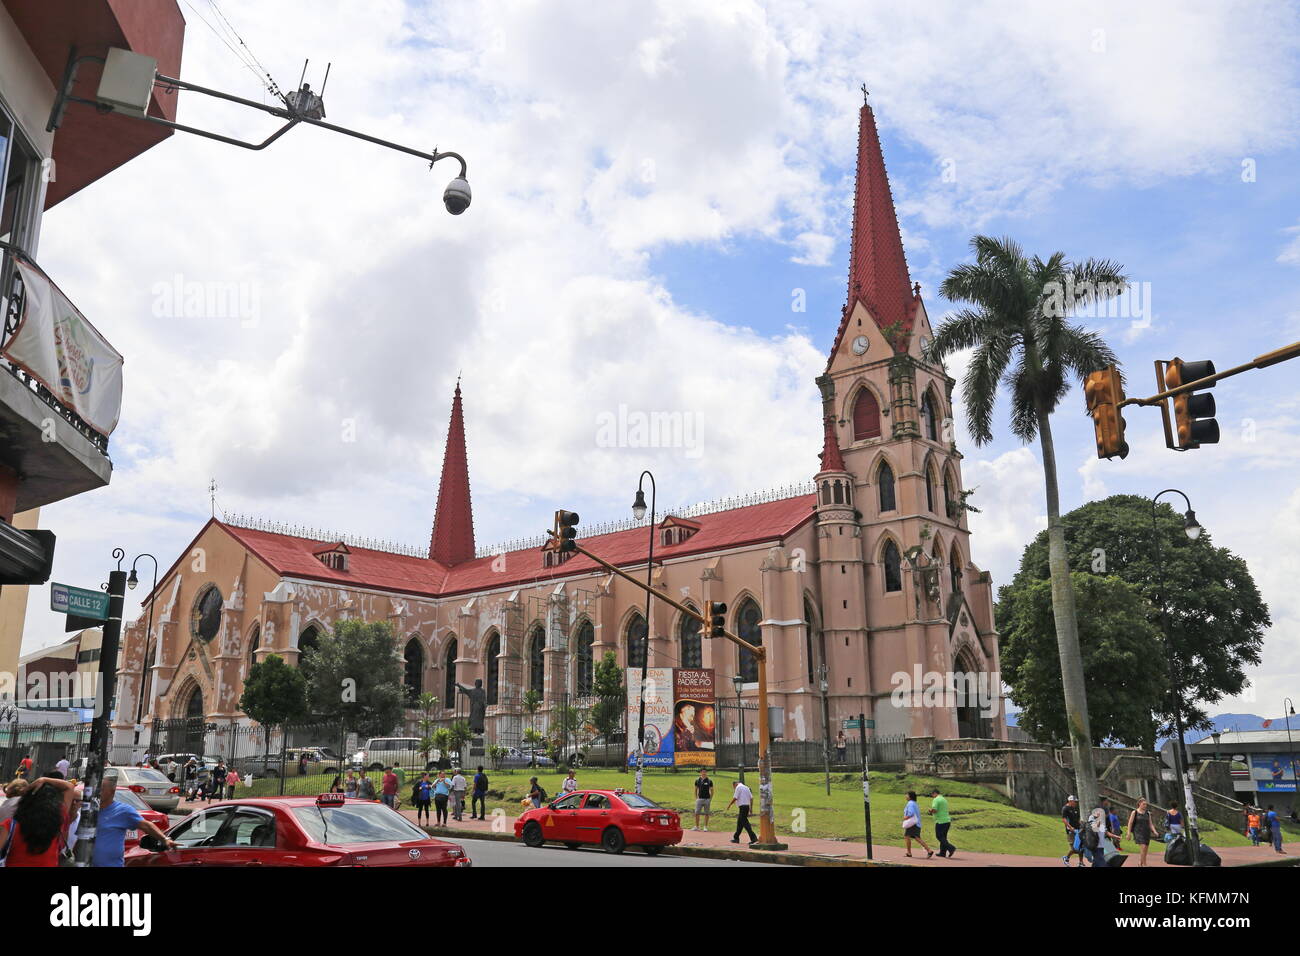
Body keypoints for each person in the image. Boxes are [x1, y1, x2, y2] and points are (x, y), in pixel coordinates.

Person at [87, 771, 176, 867]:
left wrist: (164, 839)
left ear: (112, 790)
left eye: (102, 788)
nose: (97, 791)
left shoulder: (123, 811)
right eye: (96, 788)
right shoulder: (87, 810)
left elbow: (146, 825)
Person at [2, 776, 77, 866]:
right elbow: (69, 787)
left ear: (26, 801)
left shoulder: (10, 826)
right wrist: (44, 779)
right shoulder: (58, 821)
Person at [1125, 797, 1160, 867]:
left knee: (1145, 850)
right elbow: (1130, 823)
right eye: (1144, 804)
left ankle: (1140, 863)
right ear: (1139, 804)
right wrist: (1128, 833)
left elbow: (1150, 824)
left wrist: (1155, 831)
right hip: (1138, 832)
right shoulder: (1134, 812)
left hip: (1146, 832)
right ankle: (1144, 864)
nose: (1145, 806)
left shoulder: (1148, 813)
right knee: (1143, 847)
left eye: (1146, 804)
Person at [902, 789, 933, 858]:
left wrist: (905, 818)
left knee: (907, 837)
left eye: (907, 795)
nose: (905, 796)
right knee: (917, 838)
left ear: (910, 796)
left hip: (912, 824)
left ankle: (909, 853)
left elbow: (911, 813)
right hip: (916, 823)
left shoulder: (910, 803)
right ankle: (929, 850)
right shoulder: (914, 803)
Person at [727, 779, 757, 845]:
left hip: (742, 807)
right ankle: (736, 837)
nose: (734, 788)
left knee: (745, 823)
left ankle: (753, 838)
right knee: (740, 822)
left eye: (733, 787)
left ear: (734, 784)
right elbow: (751, 798)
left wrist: (729, 805)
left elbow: (735, 797)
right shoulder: (747, 787)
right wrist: (751, 808)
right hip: (746, 807)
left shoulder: (738, 787)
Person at [929, 786, 955, 858]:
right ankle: (943, 853)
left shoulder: (936, 799)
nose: (932, 796)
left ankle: (951, 848)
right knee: (943, 837)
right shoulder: (944, 799)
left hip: (940, 821)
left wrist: (930, 810)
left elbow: (935, 810)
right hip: (947, 821)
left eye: (932, 795)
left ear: (934, 793)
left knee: (939, 836)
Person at [1061, 795, 1086, 867]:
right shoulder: (1065, 808)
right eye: (1074, 802)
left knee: (1081, 846)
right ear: (1070, 801)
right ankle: (1066, 858)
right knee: (1075, 848)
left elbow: (1077, 820)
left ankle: (1081, 863)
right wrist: (1070, 827)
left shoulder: (1075, 809)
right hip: (1071, 831)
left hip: (1078, 830)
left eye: (1076, 802)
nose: (1076, 803)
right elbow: (1064, 819)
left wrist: (1082, 823)